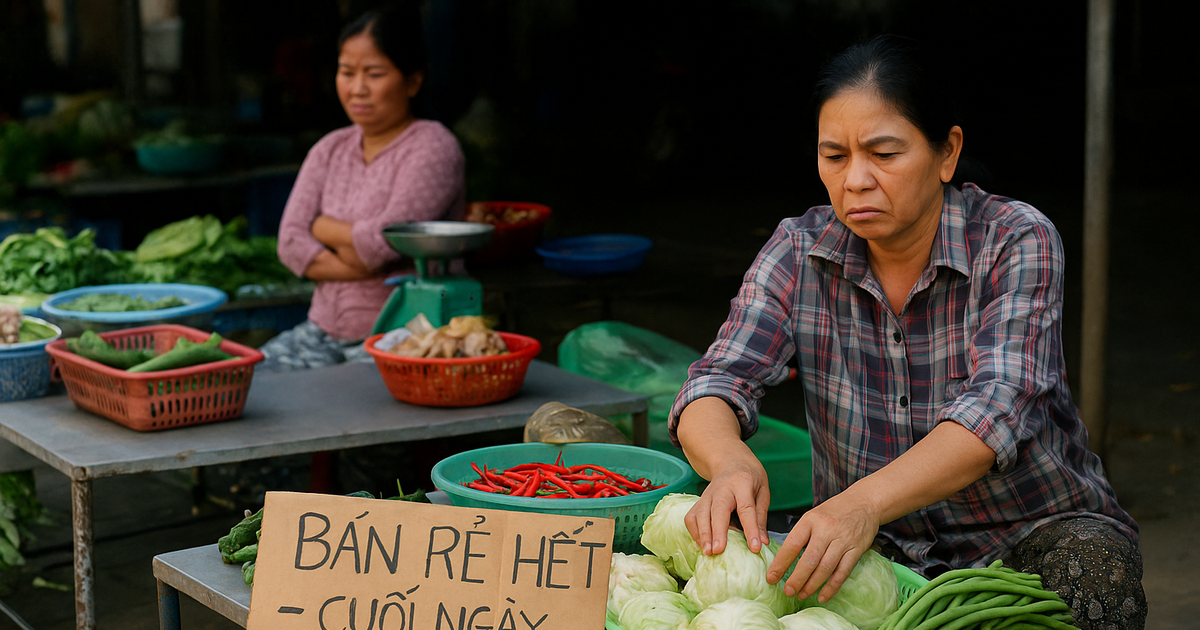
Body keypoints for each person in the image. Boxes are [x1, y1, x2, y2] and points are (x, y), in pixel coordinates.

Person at [668, 35, 1146, 630]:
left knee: (1099, 572)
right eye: (834, 156)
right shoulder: (796, 251)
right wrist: (731, 463)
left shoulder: (1014, 239)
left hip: (1027, 533)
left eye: (884, 154)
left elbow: (996, 409)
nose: (856, 180)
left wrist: (863, 502)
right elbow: (716, 381)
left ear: (947, 153)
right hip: (873, 550)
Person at [262, 3, 466, 371]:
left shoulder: (434, 147)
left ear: (413, 81)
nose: (357, 89)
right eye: (347, 72)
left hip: (408, 335)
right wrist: (358, 264)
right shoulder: (329, 149)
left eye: (374, 74)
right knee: (253, 382)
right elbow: (290, 243)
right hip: (322, 330)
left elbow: (385, 241)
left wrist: (322, 227)